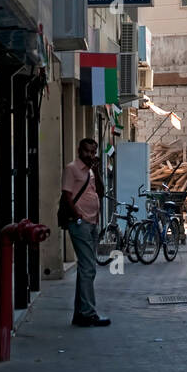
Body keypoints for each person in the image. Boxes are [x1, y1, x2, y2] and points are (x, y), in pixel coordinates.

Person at [61, 137, 111, 326]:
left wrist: (97, 171)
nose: (90, 155)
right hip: (80, 223)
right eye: (87, 151)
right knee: (88, 267)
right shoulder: (71, 169)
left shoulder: (90, 171)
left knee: (85, 269)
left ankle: (79, 314)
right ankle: (88, 313)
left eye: (93, 152)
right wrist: (79, 217)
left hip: (92, 223)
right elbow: (66, 195)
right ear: (79, 151)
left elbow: (100, 192)